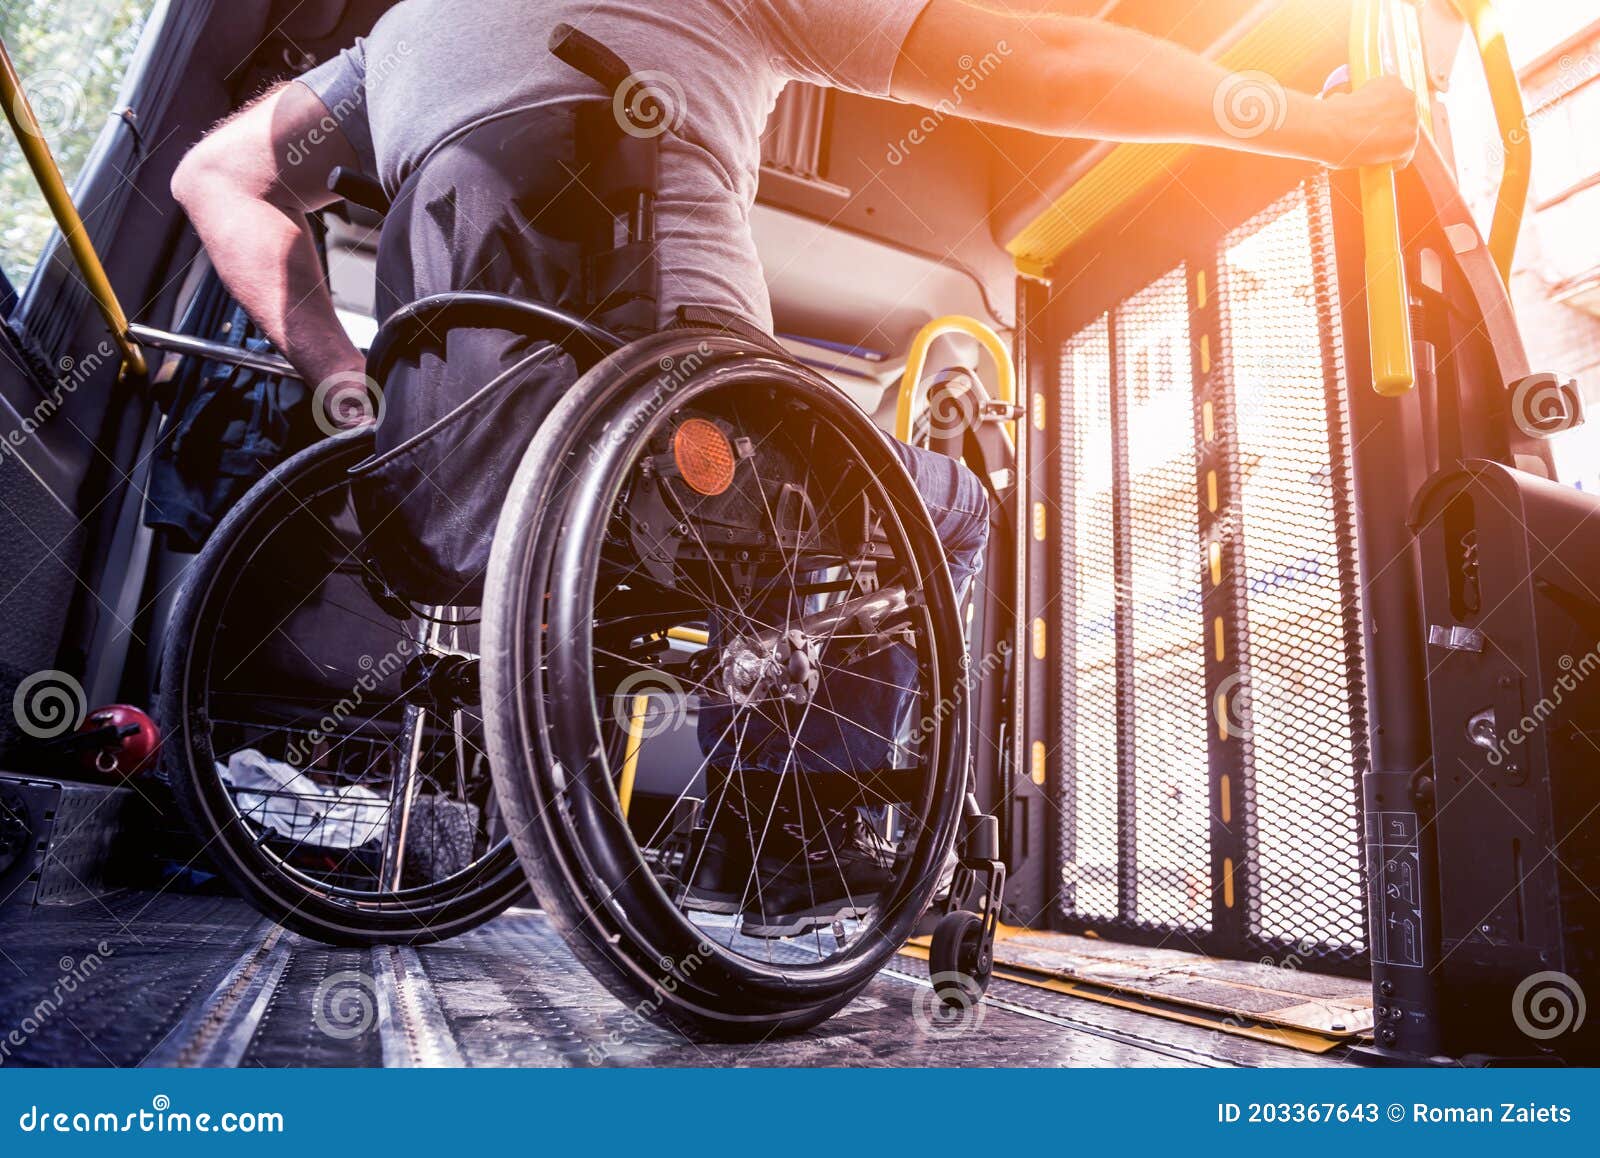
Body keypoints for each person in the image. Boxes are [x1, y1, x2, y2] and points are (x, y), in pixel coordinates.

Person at [170, 0, 1420, 934]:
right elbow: (1057, 59)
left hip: (456, 501)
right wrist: (1302, 122)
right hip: (689, 466)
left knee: (742, 506)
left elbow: (208, 174)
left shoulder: (396, 38)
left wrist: (350, 379)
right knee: (944, 507)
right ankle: (806, 854)